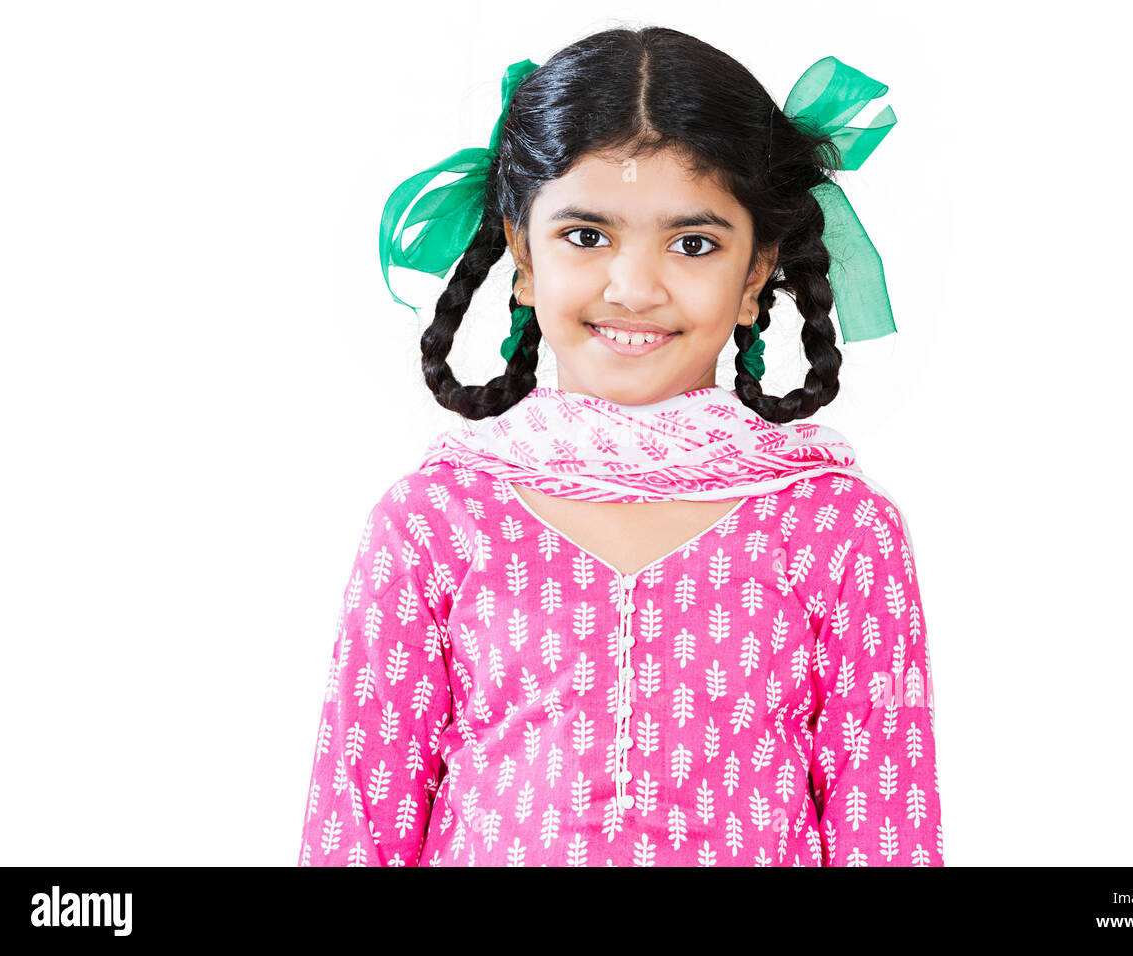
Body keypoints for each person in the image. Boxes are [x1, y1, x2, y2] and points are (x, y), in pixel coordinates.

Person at [297, 26, 942, 866]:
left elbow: (886, 823)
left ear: (757, 274)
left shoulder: (835, 528)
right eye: (587, 236)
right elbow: (355, 825)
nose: (634, 287)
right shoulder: (437, 521)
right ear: (523, 258)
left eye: (695, 244)